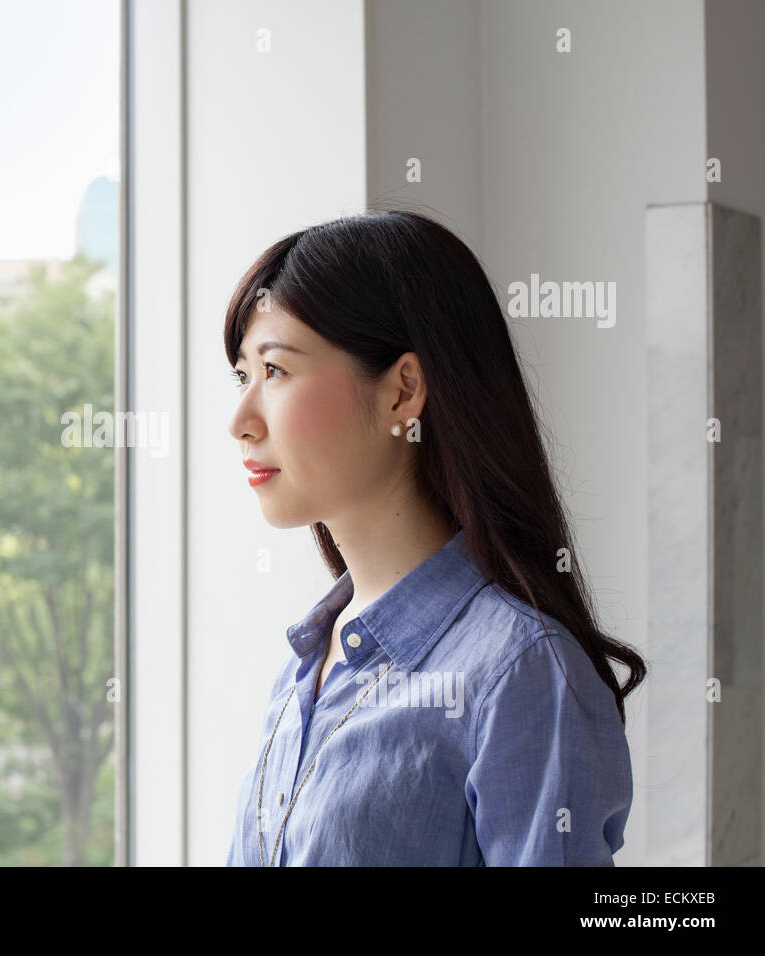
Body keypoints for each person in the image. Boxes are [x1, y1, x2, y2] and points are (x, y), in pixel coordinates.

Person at [223, 209, 645, 866]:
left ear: (403, 391)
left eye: (275, 370)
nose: (241, 421)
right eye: (242, 375)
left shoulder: (521, 672)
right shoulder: (306, 664)